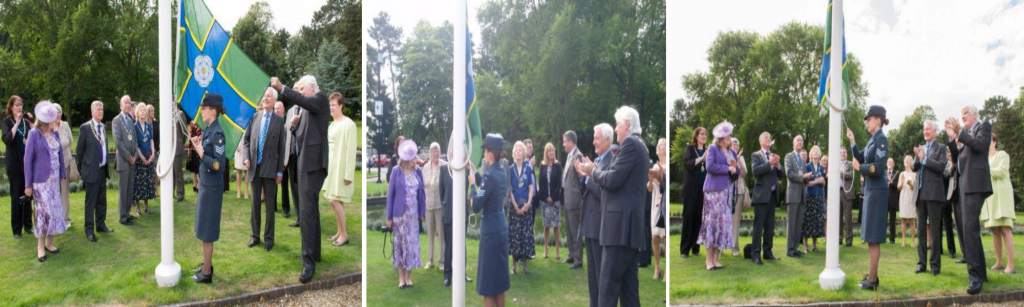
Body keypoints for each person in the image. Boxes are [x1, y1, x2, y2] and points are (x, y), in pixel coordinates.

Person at [577, 106, 647, 307]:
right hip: (629, 231)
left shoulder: (630, 144)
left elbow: (613, 179)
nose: (616, 129)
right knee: (629, 292)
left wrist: (592, 172)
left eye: (617, 124)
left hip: (619, 230)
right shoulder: (641, 145)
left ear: (627, 124)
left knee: (607, 291)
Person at [271, 75, 330, 284]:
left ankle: (308, 263)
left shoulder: (320, 98)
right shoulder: (307, 108)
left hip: (312, 165)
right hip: (306, 163)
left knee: (306, 212)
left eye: (303, 88)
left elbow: (303, 101)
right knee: (311, 210)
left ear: (313, 87)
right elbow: (303, 135)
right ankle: (315, 254)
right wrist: (295, 126)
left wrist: (282, 88)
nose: (301, 92)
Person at [945, 105, 992, 295]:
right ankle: (981, 273)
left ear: (975, 115)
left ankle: (975, 278)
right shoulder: (965, 135)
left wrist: (960, 133)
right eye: (961, 114)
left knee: (969, 229)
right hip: (964, 185)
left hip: (976, 184)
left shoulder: (983, 126)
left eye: (966, 113)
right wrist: (952, 138)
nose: (963, 116)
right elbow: (957, 157)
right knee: (969, 230)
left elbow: (979, 145)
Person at [846, 105, 890, 290]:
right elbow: (860, 156)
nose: (866, 122)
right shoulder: (872, 139)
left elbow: (877, 168)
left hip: (877, 192)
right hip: (871, 191)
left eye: (869, 119)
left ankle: (872, 281)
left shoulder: (881, 140)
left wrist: (860, 168)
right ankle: (873, 276)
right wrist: (852, 141)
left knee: (873, 236)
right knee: (870, 236)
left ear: (878, 120)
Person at [242, 88, 286, 251]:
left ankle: (269, 239)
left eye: (269, 96)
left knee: (269, 206)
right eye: (264, 96)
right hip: (254, 168)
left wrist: (279, 171)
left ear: (274, 101)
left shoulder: (279, 121)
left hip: (271, 169)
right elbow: (246, 141)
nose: (265, 98)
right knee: (255, 205)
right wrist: (246, 157)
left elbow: (281, 148)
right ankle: (255, 236)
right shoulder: (254, 117)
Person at [190, 94, 228, 284]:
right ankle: (207, 265)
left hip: (212, 189)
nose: (202, 111)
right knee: (203, 227)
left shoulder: (217, 134)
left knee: (207, 231)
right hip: (206, 186)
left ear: (213, 111)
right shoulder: (209, 130)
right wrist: (199, 145)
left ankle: (206, 273)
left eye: (204, 109)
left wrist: (201, 154)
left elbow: (219, 165)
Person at [470, 134, 511, 306]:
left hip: (490, 233)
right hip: (500, 228)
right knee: (499, 283)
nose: (484, 154)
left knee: (488, 284)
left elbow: (476, 205)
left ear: (490, 154)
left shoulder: (490, 176)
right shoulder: (500, 171)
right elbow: (487, 187)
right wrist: (474, 172)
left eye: (485, 151)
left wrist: (472, 185)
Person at [24, 101, 67, 262]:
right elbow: (27, 161)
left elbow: (60, 154)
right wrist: (28, 185)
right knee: (43, 214)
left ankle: (49, 243)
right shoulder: (34, 134)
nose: (54, 119)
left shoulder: (54, 133)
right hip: (41, 182)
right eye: (51, 117)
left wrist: (62, 172)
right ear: (43, 119)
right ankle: (40, 247)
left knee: (53, 212)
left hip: (54, 181)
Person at [579, 123, 613, 306]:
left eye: (597, 138)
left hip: (601, 227)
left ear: (607, 140)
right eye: (594, 138)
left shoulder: (611, 163)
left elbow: (603, 194)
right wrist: (583, 176)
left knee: (602, 280)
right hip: (590, 226)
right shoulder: (597, 162)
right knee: (592, 280)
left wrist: (588, 177)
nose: (594, 142)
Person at [696, 121, 737, 271]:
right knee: (712, 225)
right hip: (713, 193)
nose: (729, 138)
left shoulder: (732, 153)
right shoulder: (713, 148)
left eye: (730, 136)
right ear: (721, 137)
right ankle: (708, 261)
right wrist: (728, 168)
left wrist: (735, 170)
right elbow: (710, 167)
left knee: (722, 226)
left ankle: (716, 260)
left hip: (726, 193)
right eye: (727, 136)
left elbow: (736, 171)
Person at [386, 139, 425, 289]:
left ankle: (408, 278)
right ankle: (401, 279)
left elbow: (421, 194)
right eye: (409, 156)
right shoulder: (396, 171)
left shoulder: (418, 171)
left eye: (412, 155)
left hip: (413, 217)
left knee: (411, 246)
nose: (411, 158)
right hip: (399, 216)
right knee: (400, 246)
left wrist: (422, 212)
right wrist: (389, 217)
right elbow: (390, 195)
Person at [911, 120, 948, 276]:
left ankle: (935, 265)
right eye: (924, 129)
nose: (925, 132)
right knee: (920, 231)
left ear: (934, 131)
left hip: (934, 194)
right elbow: (914, 168)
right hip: (920, 195)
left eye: (928, 129)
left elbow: (941, 167)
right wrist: (917, 157)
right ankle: (921, 264)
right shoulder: (921, 148)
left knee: (934, 232)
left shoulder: (941, 148)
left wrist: (925, 158)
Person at [77, 101, 112, 242]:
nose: (101, 111)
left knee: (101, 201)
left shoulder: (103, 127)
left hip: (102, 170)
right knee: (90, 203)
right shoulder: (85, 128)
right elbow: (79, 153)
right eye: (98, 109)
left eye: (102, 109)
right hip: (91, 172)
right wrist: (83, 171)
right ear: (92, 112)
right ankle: (89, 230)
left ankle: (101, 224)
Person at [438, 153, 473, 287]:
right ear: (450, 152)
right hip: (448, 214)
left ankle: (462, 273)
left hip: (462, 213)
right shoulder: (443, 170)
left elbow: (469, 185)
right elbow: (442, 193)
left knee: (461, 245)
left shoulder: (465, 170)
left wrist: (468, 165)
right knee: (449, 246)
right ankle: (447, 275)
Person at [983, 132, 1015, 274]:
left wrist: (985, 170)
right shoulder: (985, 159)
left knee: (1005, 229)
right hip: (990, 197)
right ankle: (999, 261)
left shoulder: (1002, 155)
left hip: (1002, 196)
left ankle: (1010, 265)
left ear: (995, 142)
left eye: (989, 140)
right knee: (995, 231)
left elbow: (1002, 171)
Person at [750, 132, 784, 265]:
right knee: (758, 227)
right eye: (765, 137)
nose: (768, 139)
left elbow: (781, 174)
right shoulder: (756, 155)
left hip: (772, 196)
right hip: (761, 196)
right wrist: (770, 164)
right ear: (760, 141)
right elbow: (755, 171)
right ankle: (755, 254)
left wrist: (778, 164)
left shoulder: (773, 156)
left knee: (770, 227)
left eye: (770, 137)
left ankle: (768, 252)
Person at [5, 96, 33, 238]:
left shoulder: (26, 122)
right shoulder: (7, 121)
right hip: (15, 166)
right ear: (11, 107)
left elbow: (35, 134)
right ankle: (17, 229)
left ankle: (28, 225)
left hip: (27, 164)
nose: (19, 107)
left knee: (28, 194)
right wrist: (16, 124)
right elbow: (7, 140)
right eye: (16, 105)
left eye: (21, 104)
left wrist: (31, 120)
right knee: (16, 196)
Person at [679, 127, 708, 258]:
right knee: (689, 216)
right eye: (701, 134)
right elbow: (687, 163)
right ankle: (685, 249)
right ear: (696, 136)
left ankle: (696, 247)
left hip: (703, 189)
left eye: (705, 134)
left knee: (699, 218)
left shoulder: (708, 150)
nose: (704, 136)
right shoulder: (690, 149)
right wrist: (701, 159)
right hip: (691, 189)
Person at [508, 141, 535, 275]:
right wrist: (515, 206)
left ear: (524, 153)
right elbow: (510, 190)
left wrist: (529, 203)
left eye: (520, 150)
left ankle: (524, 266)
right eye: (516, 150)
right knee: (515, 236)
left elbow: (530, 188)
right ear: (513, 153)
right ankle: (513, 266)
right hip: (515, 209)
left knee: (525, 236)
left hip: (526, 208)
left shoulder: (528, 168)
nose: (518, 152)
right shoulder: (510, 169)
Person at [112, 95, 138, 226]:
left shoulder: (130, 120)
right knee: (123, 191)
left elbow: (135, 141)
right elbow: (118, 142)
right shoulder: (116, 120)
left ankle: (127, 214)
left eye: (129, 103)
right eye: (125, 103)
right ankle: (122, 217)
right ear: (121, 105)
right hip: (123, 161)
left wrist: (135, 156)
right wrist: (129, 157)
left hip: (132, 161)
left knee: (129, 190)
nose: (127, 105)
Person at [785, 135, 811, 258]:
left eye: (801, 140)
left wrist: (808, 178)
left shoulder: (803, 161)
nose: (800, 142)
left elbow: (804, 179)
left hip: (801, 195)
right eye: (798, 140)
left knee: (798, 223)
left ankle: (795, 248)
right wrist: (803, 177)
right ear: (793, 143)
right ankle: (789, 249)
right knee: (792, 223)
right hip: (793, 194)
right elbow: (789, 174)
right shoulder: (788, 157)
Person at [561, 130, 585, 269]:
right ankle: (571, 255)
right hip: (568, 199)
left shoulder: (578, 156)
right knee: (569, 229)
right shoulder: (570, 156)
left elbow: (581, 179)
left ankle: (578, 259)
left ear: (571, 142)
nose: (563, 144)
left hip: (574, 200)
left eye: (565, 141)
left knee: (575, 230)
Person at [537, 142, 563, 260]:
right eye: (549, 151)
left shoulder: (558, 165)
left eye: (553, 150)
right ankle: (546, 249)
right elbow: (540, 182)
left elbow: (559, 184)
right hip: (545, 200)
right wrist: (546, 196)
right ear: (546, 153)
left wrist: (552, 196)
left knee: (556, 225)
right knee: (546, 225)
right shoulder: (542, 165)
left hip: (555, 200)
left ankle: (557, 249)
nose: (551, 153)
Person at [422, 142, 446, 268]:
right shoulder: (425, 167)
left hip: (440, 205)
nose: (435, 153)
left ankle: (441, 261)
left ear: (440, 152)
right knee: (430, 234)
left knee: (441, 234)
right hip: (428, 205)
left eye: (437, 151)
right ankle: (430, 260)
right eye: (433, 151)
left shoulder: (444, 165)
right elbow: (422, 186)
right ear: (430, 153)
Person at [52, 104, 74, 227]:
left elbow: (70, 141)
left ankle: (65, 219)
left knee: (64, 193)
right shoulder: (48, 126)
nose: (59, 114)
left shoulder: (65, 125)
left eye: (60, 112)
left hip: (65, 163)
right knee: (53, 192)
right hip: (51, 166)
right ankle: (54, 219)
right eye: (56, 112)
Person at [802, 146, 826, 253]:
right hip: (809, 196)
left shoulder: (821, 168)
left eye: (817, 151)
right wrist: (817, 181)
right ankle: (805, 245)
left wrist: (822, 181)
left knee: (817, 220)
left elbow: (824, 183)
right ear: (811, 154)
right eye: (814, 151)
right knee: (808, 220)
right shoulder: (807, 166)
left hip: (819, 196)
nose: (816, 152)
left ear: (819, 154)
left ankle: (815, 245)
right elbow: (807, 184)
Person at [650, 138, 668, 280]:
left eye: (661, 145)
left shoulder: (667, 167)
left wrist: (661, 177)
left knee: (665, 237)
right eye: (657, 145)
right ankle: (657, 267)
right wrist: (650, 180)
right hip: (655, 202)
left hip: (664, 203)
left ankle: (667, 269)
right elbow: (649, 188)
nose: (658, 147)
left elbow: (664, 184)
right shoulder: (655, 166)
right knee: (655, 237)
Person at [133, 104, 155, 216]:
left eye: (143, 110)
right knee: (139, 183)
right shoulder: (134, 126)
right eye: (140, 110)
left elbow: (151, 141)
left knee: (147, 182)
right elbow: (135, 145)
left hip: (149, 157)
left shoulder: (148, 125)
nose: (142, 112)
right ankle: (137, 208)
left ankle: (146, 206)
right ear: (137, 113)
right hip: (139, 158)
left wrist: (153, 153)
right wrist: (141, 157)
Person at [945, 147, 967, 264]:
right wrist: (952, 165)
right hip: (953, 194)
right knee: (958, 224)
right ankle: (965, 253)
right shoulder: (950, 164)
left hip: (964, 190)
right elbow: (946, 173)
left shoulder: (964, 153)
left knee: (966, 224)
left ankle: (970, 253)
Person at [728, 138, 747, 257]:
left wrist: (738, 159)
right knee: (724, 219)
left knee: (735, 221)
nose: (735, 145)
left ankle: (734, 247)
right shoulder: (725, 155)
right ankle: (720, 247)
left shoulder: (741, 158)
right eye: (733, 143)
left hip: (738, 191)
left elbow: (744, 173)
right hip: (726, 191)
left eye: (737, 144)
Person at [274, 101, 292, 215]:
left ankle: (286, 208)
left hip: (284, 159)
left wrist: (284, 162)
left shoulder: (287, 123)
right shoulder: (272, 121)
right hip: (273, 159)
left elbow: (287, 143)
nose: (277, 110)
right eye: (275, 108)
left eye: (279, 108)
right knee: (272, 185)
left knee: (284, 184)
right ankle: (273, 206)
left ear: (283, 109)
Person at [898, 156, 918, 247]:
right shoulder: (901, 174)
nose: (907, 161)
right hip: (903, 197)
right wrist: (902, 182)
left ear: (911, 162)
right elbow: (898, 187)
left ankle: (912, 240)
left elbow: (915, 188)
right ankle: (903, 239)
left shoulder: (914, 174)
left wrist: (910, 184)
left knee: (911, 219)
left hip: (911, 197)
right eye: (905, 160)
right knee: (903, 219)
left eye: (908, 160)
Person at [840, 148, 857, 246]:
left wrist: (841, 173)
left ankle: (849, 239)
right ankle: (839, 237)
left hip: (847, 192)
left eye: (844, 152)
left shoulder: (850, 164)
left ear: (847, 154)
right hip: (837, 192)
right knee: (838, 216)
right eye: (841, 153)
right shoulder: (836, 164)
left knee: (848, 217)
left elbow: (851, 175)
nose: (842, 154)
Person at [172, 108, 189, 202]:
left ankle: (180, 193)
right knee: (170, 173)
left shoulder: (180, 114)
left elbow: (184, 132)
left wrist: (180, 142)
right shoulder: (166, 113)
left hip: (177, 147)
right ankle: (170, 192)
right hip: (168, 149)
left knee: (177, 172)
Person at [886, 158, 901, 245]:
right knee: (883, 220)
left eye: (891, 162)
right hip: (884, 200)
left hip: (893, 200)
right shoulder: (884, 173)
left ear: (893, 164)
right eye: (888, 162)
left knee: (892, 221)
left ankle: (892, 239)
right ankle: (882, 237)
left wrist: (891, 182)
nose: (889, 163)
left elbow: (897, 186)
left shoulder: (897, 173)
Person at [186, 120, 202, 194]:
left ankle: (198, 185)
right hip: (193, 148)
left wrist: (192, 140)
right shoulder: (192, 123)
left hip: (197, 148)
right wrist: (189, 149)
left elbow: (199, 136)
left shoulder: (198, 122)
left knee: (197, 169)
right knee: (194, 169)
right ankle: (195, 185)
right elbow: (190, 137)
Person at [234, 135, 249, 200]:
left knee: (246, 170)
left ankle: (246, 191)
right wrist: (236, 145)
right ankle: (239, 190)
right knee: (238, 169)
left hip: (246, 146)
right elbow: (233, 135)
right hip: (238, 147)